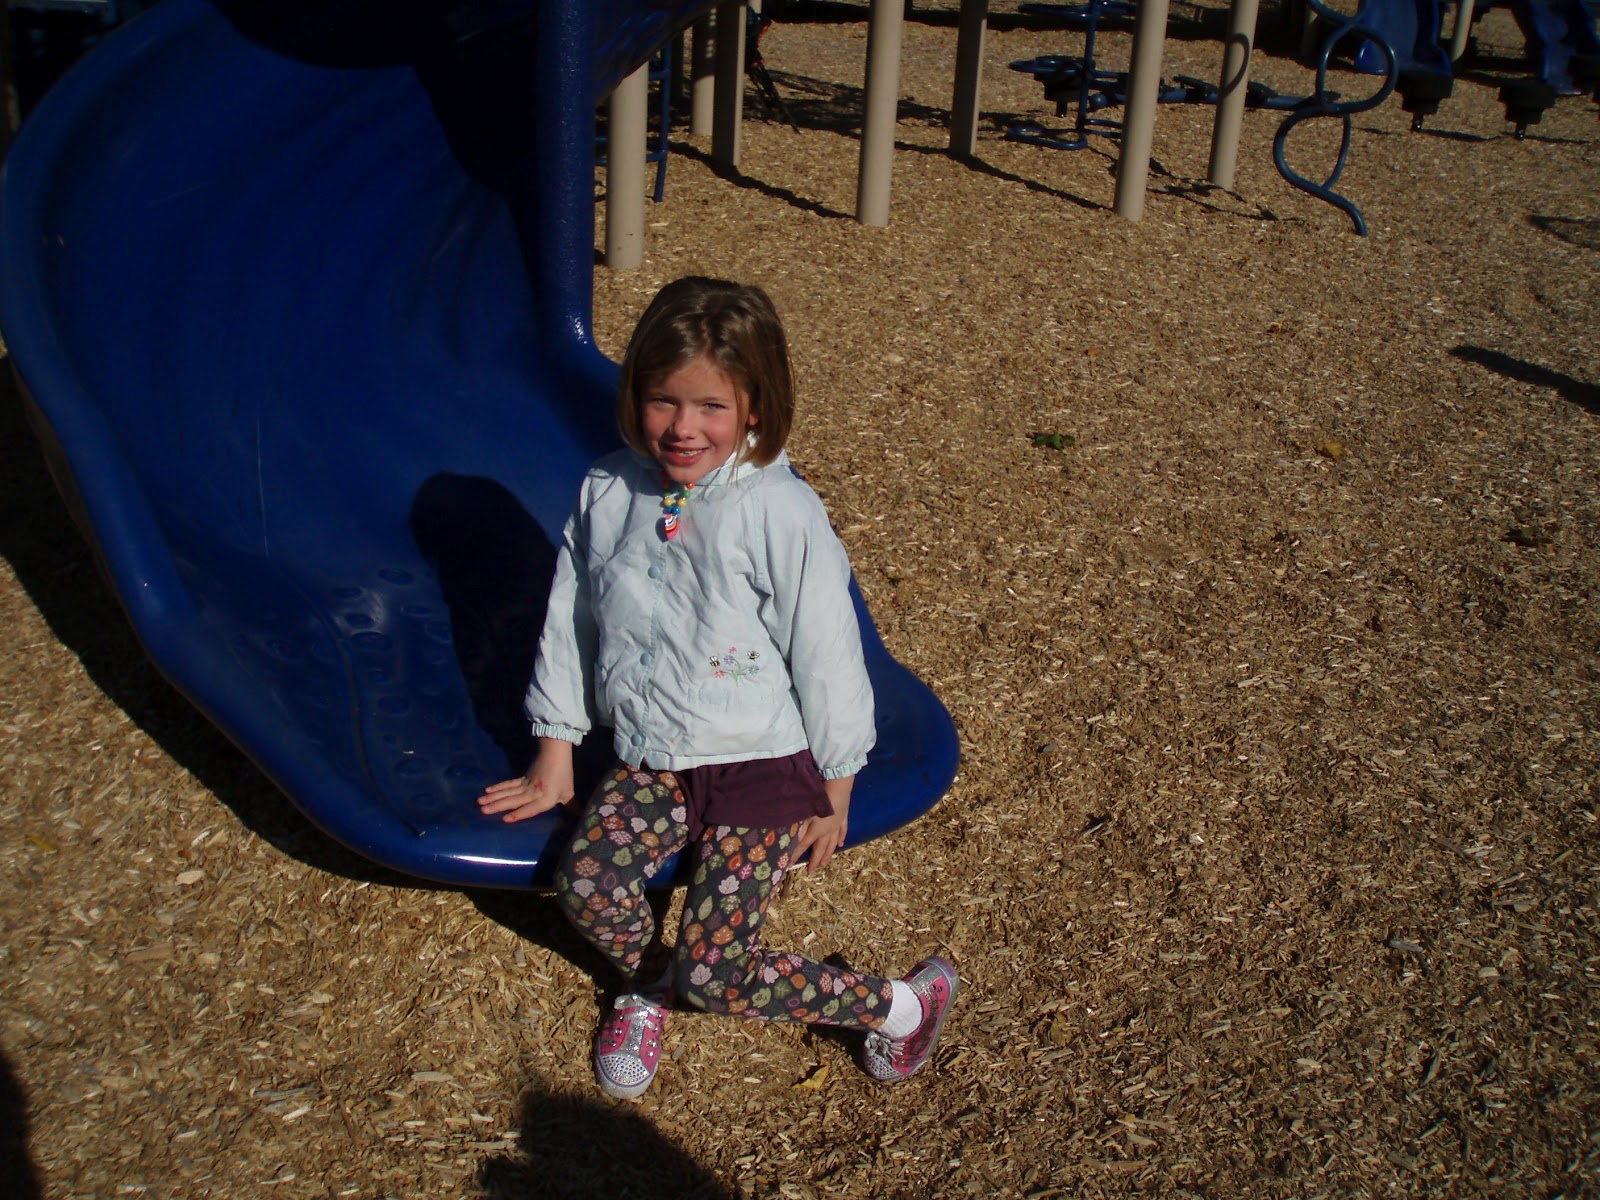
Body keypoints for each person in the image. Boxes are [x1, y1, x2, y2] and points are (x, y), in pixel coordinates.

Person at [477, 276, 956, 1099]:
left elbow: (827, 648)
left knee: (719, 969)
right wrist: (555, 747)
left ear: (756, 407)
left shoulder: (777, 509)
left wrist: (834, 785)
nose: (683, 427)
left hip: (761, 765)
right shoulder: (610, 491)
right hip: (656, 756)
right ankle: (650, 985)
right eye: (664, 401)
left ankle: (902, 1006)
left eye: (710, 408)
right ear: (635, 396)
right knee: (586, 883)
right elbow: (573, 619)